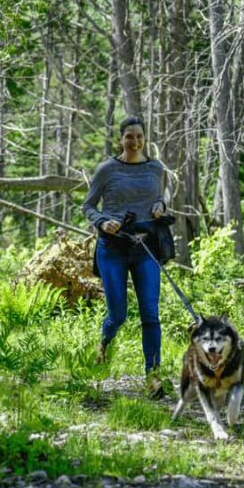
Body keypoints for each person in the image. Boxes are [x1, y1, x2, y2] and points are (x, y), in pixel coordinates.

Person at [82, 115, 167, 399]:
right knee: (118, 314)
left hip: (145, 248)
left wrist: (160, 205)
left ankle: (153, 376)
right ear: (121, 139)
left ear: (145, 139)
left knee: (150, 314)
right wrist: (102, 221)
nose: (135, 142)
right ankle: (104, 344)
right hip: (113, 247)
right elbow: (89, 206)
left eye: (139, 136)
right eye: (129, 136)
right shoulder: (107, 170)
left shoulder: (156, 169)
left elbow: (160, 199)